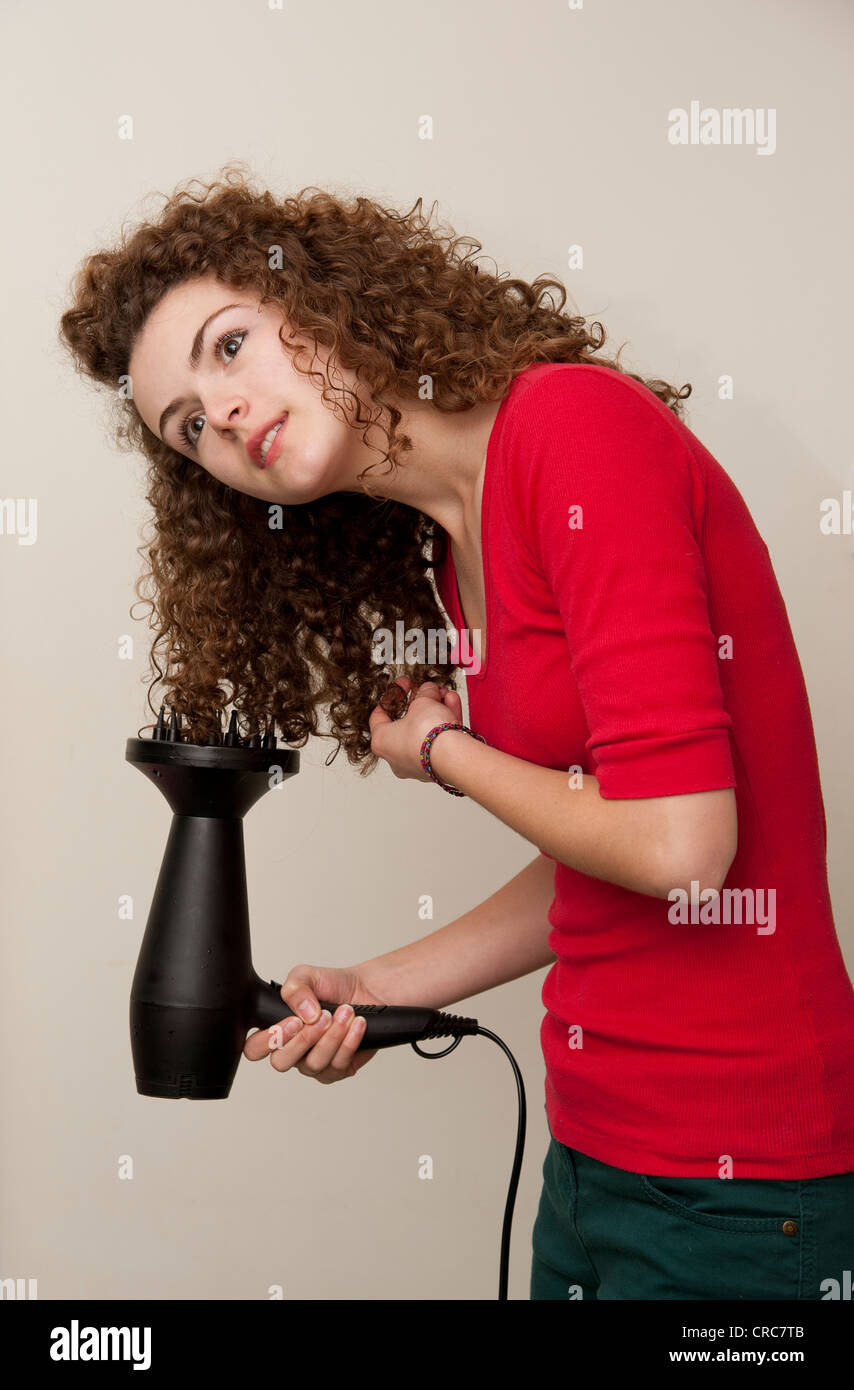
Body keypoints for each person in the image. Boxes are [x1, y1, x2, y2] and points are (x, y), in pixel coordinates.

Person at [59, 163, 854, 1300]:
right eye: (189, 429)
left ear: (323, 296)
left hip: (742, 1191)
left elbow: (684, 848)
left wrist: (444, 752)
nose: (222, 414)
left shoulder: (572, 430)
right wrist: (376, 981)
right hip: (595, 1162)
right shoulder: (451, 551)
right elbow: (609, 848)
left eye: (228, 348)